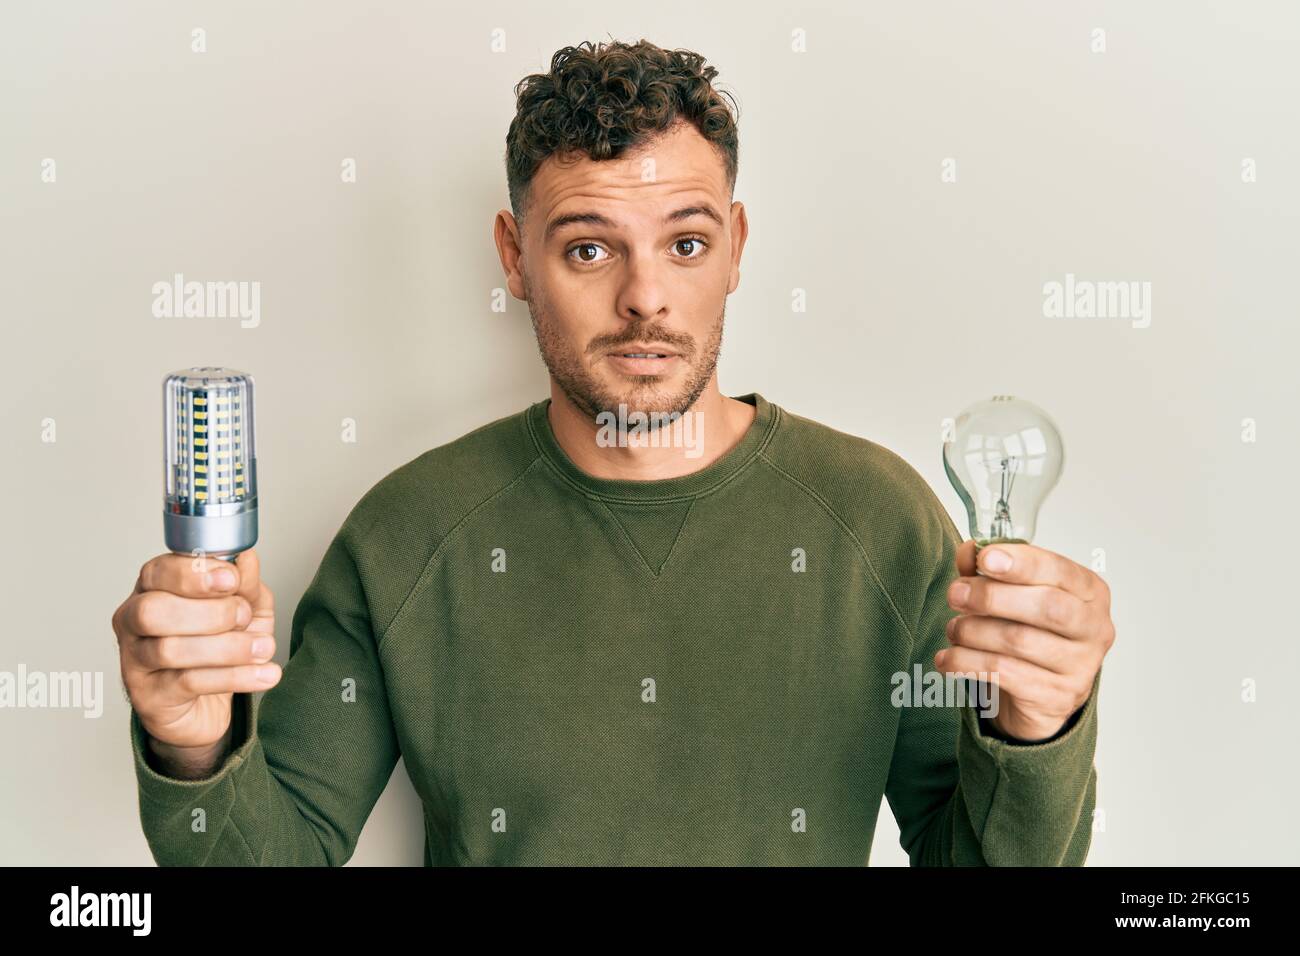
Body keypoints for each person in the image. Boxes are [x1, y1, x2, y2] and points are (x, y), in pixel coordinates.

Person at [113, 38, 1115, 866]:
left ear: (735, 247)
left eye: (685, 243)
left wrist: (1040, 728)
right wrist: (194, 747)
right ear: (515, 256)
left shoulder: (879, 519)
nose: (645, 297)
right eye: (589, 248)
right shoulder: (407, 534)